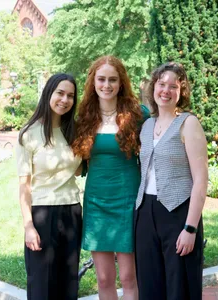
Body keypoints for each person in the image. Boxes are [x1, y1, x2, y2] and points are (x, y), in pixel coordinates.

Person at [72, 56, 149, 300]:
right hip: (96, 202)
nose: (107, 85)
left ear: (121, 83)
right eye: (102, 79)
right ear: (93, 82)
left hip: (127, 201)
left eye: (113, 80)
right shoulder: (84, 118)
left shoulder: (138, 115)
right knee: (104, 278)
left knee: (129, 277)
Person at [134, 62, 208, 300]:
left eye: (173, 86)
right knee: (149, 284)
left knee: (179, 287)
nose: (165, 90)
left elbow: (200, 180)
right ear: (154, 87)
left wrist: (190, 228)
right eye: (161, 84)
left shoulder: (188, 123)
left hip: (178, 213)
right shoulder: (146, 126)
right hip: (145, 212)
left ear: (181, 92)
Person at [16, 73, 82, 300]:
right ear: (49, 94)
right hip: (43, 213)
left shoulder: (75, 130)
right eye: (60, 93)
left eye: (70, 96)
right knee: (41, 283)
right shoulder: (29, 134)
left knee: (68, 281)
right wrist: (28, 226)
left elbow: (78, 170)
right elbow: (24, 186)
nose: (65, 100)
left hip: (72, 211)